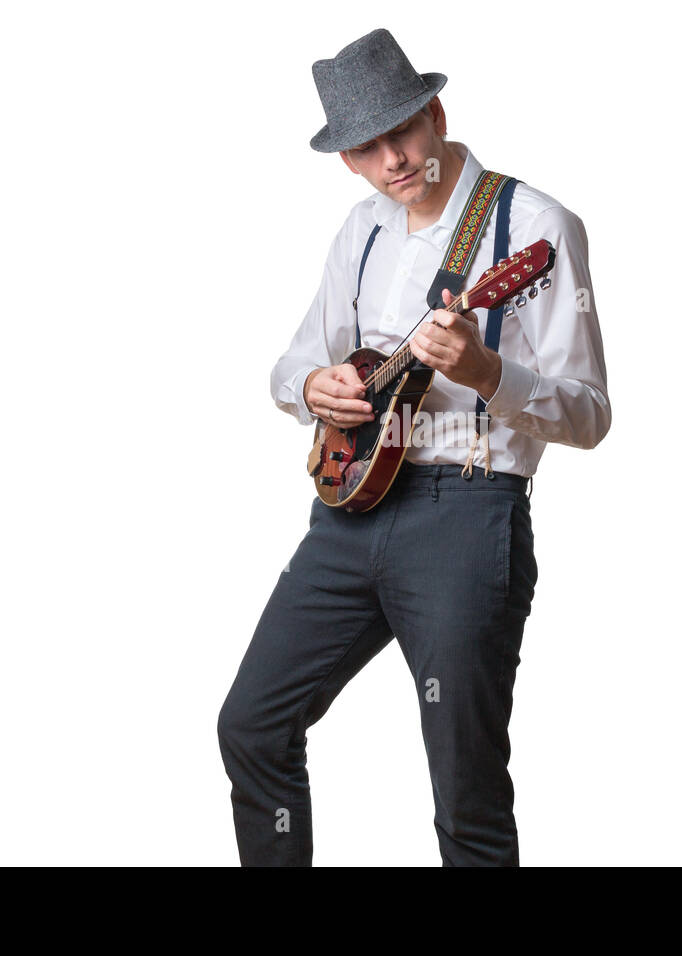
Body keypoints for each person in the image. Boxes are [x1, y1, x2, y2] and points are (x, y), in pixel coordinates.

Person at [216, 27, 611, 866]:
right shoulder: (360, 231)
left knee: (465, 789)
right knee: (253, 722)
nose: (394, 158)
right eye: (367, 146)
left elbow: (590, 414)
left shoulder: (534, 226)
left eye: (403, 130)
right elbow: (293, 362)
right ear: (346, 160)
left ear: (436, 112)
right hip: (350, 511)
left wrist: (488, 370)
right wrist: (309, 388)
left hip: (466, 517)